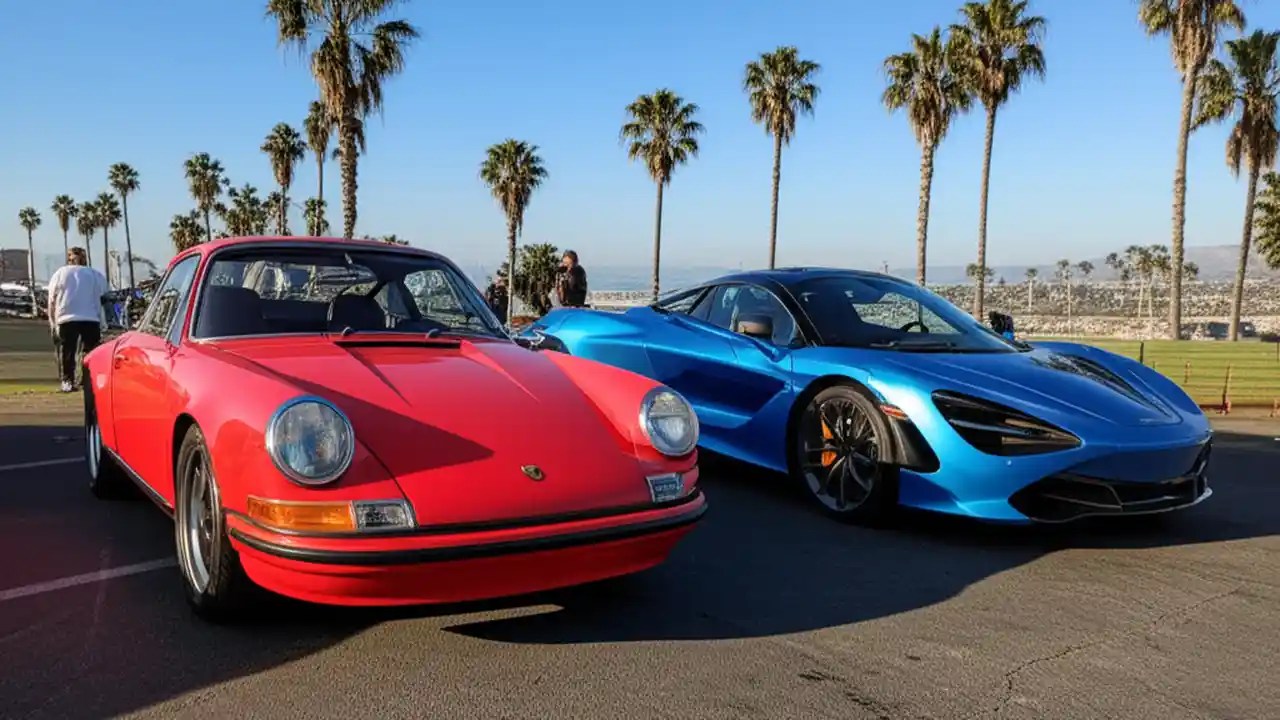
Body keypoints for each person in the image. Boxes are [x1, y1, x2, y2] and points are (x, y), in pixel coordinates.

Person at [46, 247, 110, 393]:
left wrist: (52, 321)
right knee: (90, 352)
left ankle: (68, 381)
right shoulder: (95, 274)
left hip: (67, 317)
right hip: (90, 317)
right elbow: (105, 296)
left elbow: (51, 299)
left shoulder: (60, 273)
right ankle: (88, 380)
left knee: (68, 351)